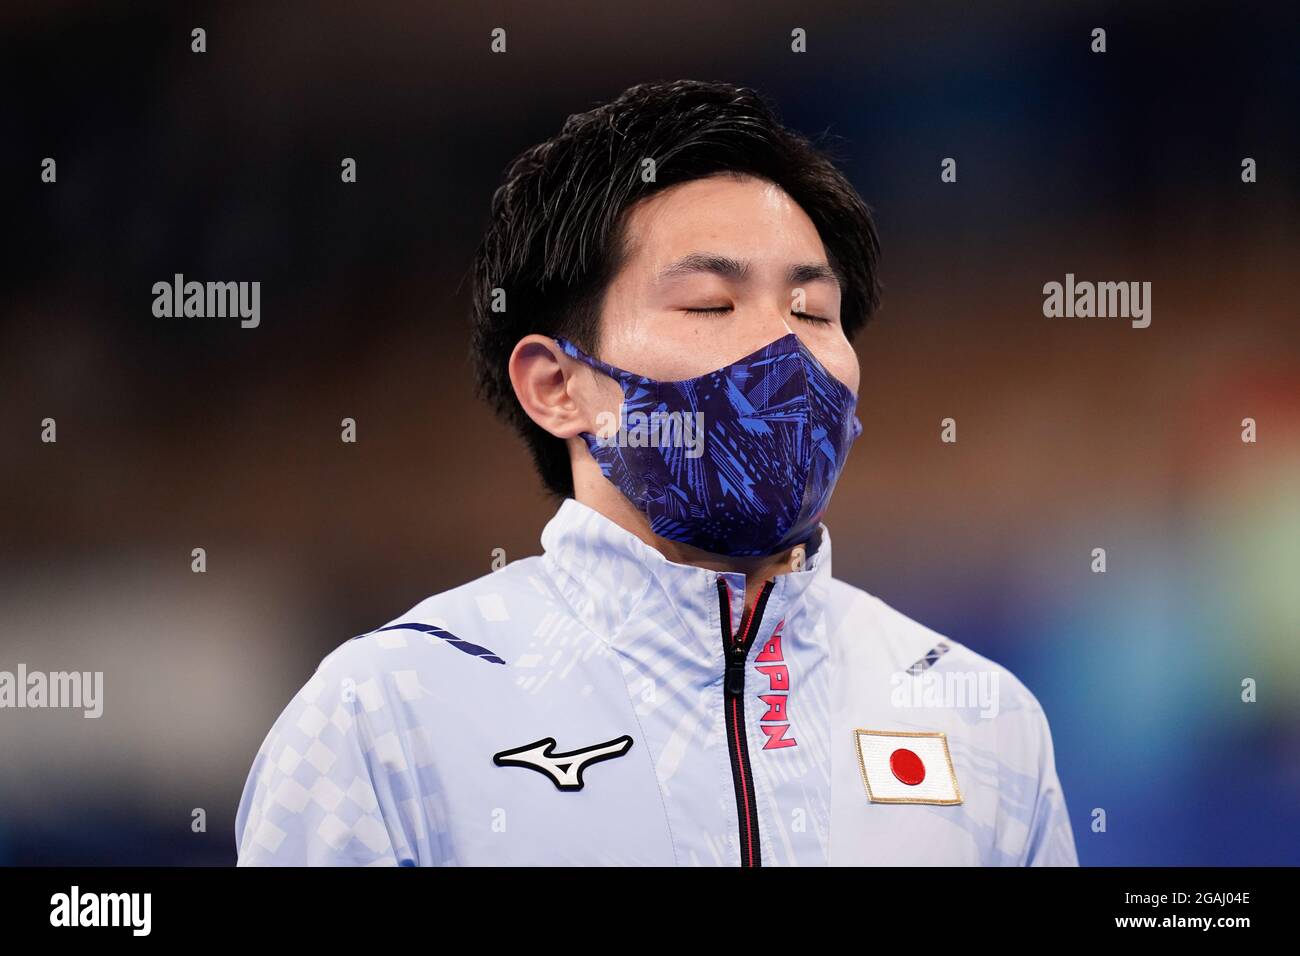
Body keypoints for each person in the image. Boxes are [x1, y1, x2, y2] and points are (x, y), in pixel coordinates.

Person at [235, 79, 1078, 866]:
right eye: (711, 303)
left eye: (812, 310)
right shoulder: (389, 716)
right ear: (557, 386)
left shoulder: (980, 716)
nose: (781, 348)